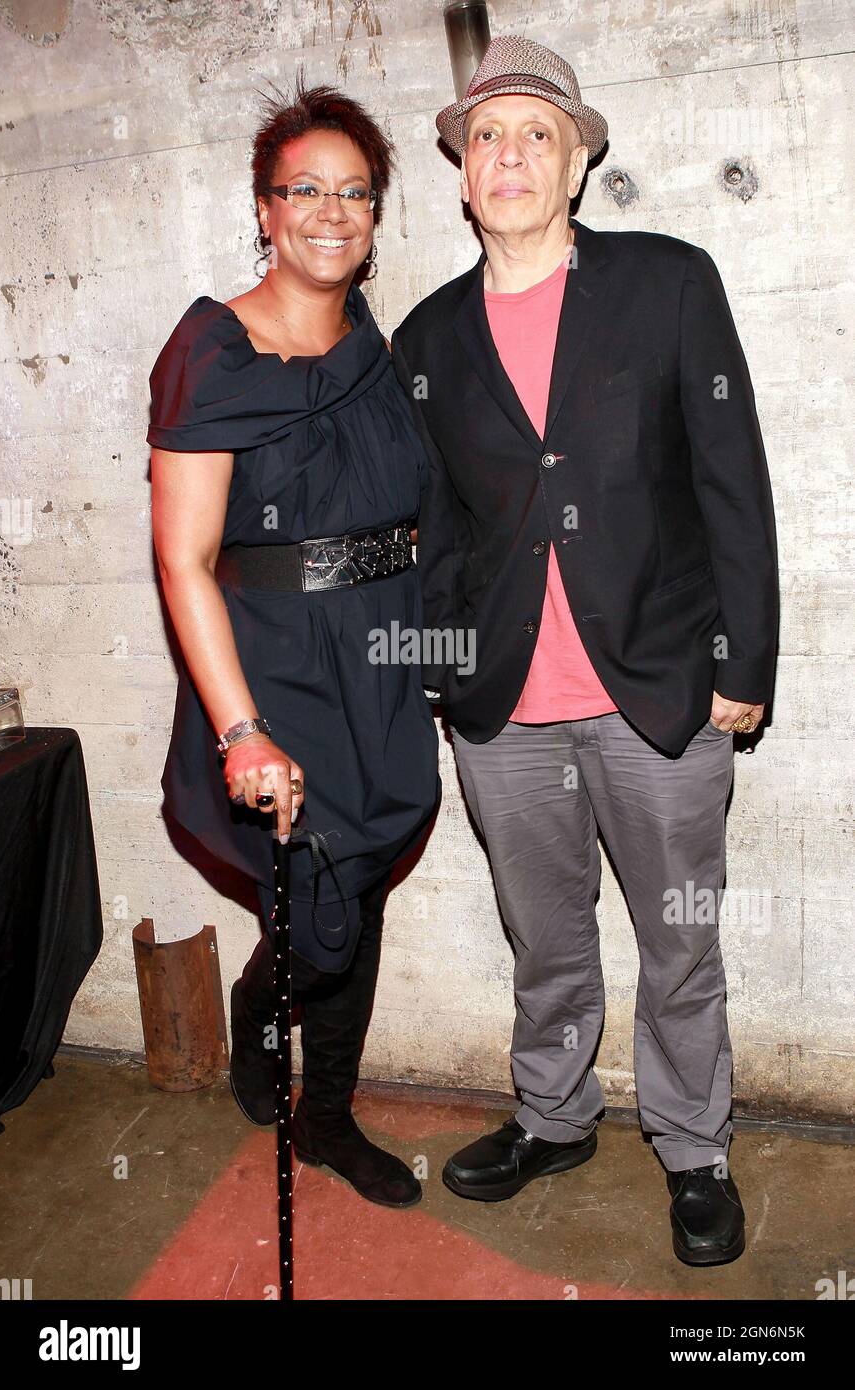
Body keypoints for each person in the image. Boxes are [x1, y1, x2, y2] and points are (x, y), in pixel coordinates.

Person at [391, 35, 779, 1264]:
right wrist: (445, 676)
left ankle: (691, 1145)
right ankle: (553, 1118)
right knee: (541, 936)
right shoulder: (427, 338)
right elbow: (431, 531)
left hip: (656, 688)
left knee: (678, 933)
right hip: (503, 706)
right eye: (486, 136)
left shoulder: (668, 283)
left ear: (574, 165)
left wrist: (744, 667)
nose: (509, 155)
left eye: (535, 135)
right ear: (462, 173)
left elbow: (732, 484)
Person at [148, 76, 440, 1208]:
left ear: (375, 212)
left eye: (354, 191)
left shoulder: (374, 345)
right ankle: (260, 1009)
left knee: (353, 897)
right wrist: (239, 728)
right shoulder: (211, 351)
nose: (330, 210)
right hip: (270, 667)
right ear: (264, 208)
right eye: (303, 188)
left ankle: (324, 1119)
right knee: (319, 910)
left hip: (378, 657)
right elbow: (182, 559)